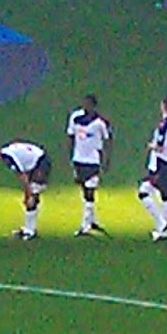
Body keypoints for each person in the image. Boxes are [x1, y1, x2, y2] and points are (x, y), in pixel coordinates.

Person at [66, 95, 112, 236]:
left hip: (93, 161)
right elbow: (70, 135)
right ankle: (92, 220)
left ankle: (85, 225)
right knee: (84, 190)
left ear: (93, 106)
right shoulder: (75, 117)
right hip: (79, 159)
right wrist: (71, 156)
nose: (85, 106)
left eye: (88, 104)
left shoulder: (100, 122)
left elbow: (108, 140)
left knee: (89, 191)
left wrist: (106, 160)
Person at [141, 98, 167, 241]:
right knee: (166, 196)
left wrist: (151, 146)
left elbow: (160, 146)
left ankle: (162, 223)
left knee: (143, 192)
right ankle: (164, 232)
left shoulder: (165, 124)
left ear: (163, 107)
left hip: (160, 164)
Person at [0, 141, 50, 240]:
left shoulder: (9, 158)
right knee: (31, 197)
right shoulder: (8, 150)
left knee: (32, 197)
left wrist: (28, 194)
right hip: (37, 161)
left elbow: (23, 176)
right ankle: (29, 228)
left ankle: (30, 231)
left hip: (40, 162)